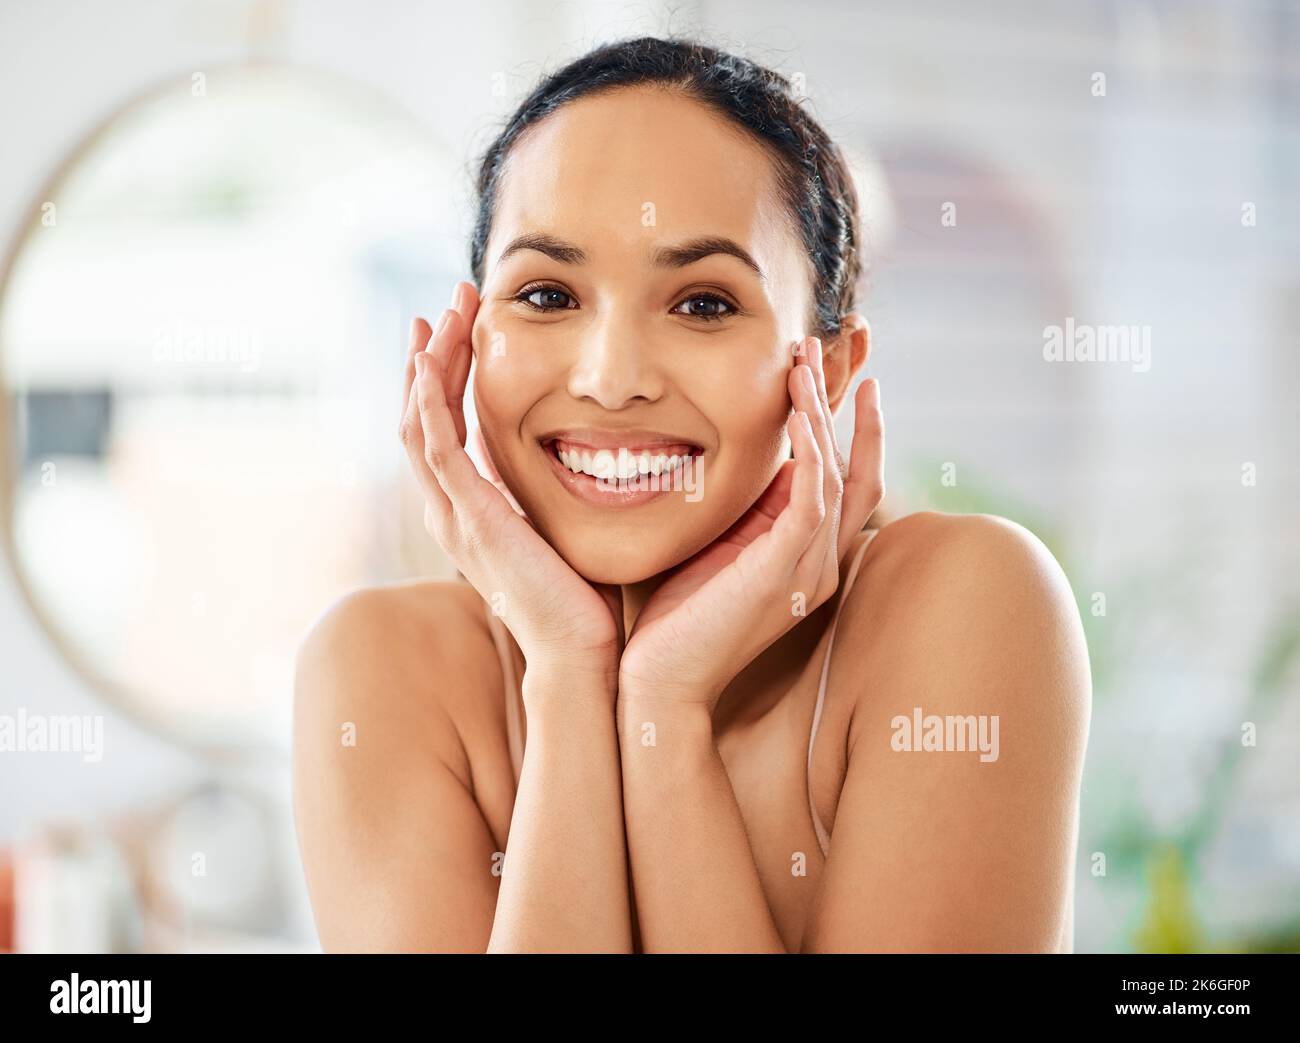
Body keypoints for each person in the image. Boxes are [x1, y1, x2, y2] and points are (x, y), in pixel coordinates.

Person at [292, 35, 1091, 953]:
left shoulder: (967, 605)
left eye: (704, 303)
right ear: (469, 338)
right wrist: (566, 676)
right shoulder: (382, 672)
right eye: (548, 295)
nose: (610, 378)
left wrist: (665, 713)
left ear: (826, 367)